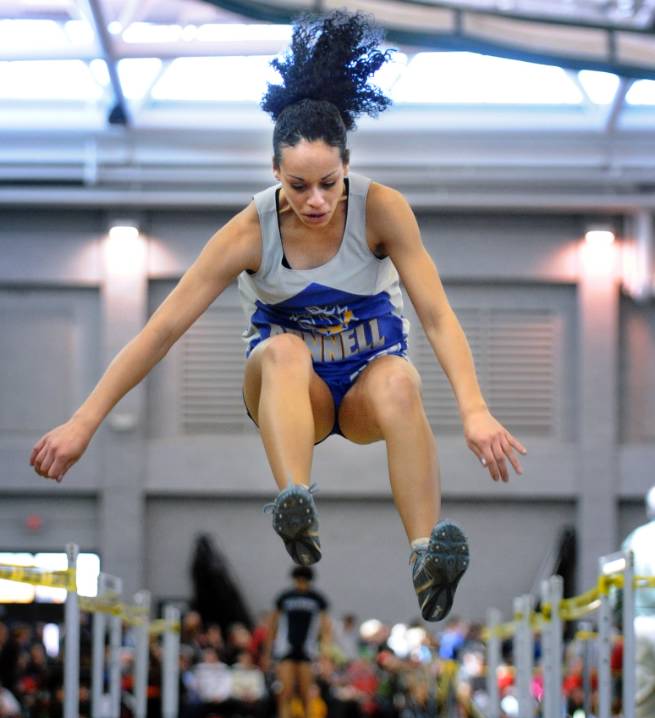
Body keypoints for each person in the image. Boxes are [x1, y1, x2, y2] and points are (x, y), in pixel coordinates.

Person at [29, 11, 525, 624]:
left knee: (402, 378)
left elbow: (439, 317)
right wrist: (85, 422)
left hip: (367, 386)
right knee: (286, 349)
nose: (315, 201)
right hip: (292, 395)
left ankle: (425, 556)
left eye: (329, 183)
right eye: (298, 185)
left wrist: (475, 410)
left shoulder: (383, 211)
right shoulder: (248, 232)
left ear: (348, 165)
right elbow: (161, 331)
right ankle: (295, 500)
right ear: (273, 173)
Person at [263, 566, 331, 718]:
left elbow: (326, 630)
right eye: (298, 579)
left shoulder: (317, 599)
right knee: (284, 695)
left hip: (307, 653)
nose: (301, 583)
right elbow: (272, 625)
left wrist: (325, 656)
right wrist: (267, 653)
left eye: (304, 580)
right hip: (285, 651)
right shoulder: (284, 598)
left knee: (305, 697)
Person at [619, 484, 655, 718]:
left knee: (641, 707)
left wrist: (618, 621)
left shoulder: (636, 538)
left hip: (640, 625)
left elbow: (617, 587)